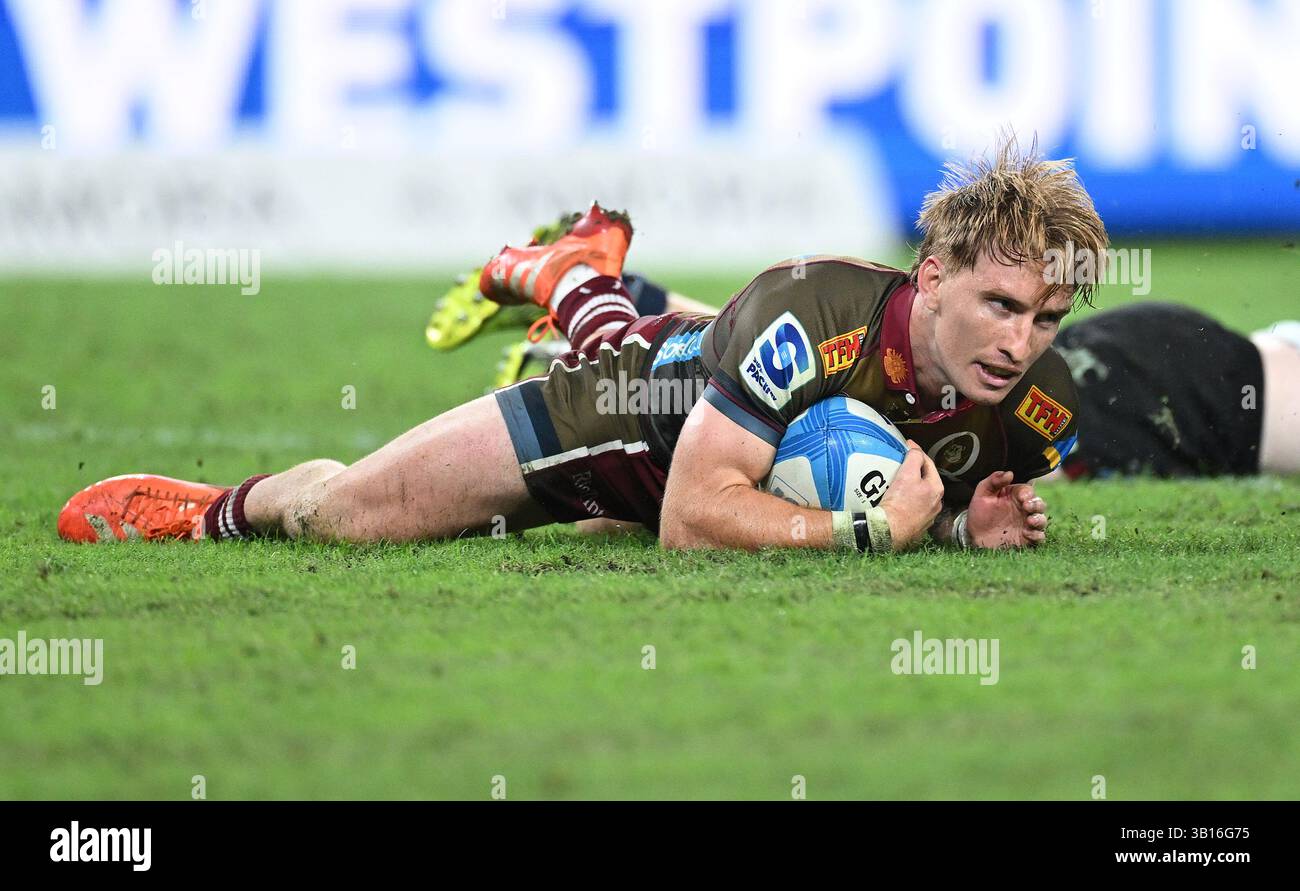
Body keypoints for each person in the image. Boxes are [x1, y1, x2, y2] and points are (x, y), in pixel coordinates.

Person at [58, 136, 1107, 554]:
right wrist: (865, 535)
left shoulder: (1031, 405)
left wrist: (971, 529)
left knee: (682, 362)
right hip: (627, 424)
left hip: (717, 402)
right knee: (348, 522)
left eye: (1046, 320)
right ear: (931, 278)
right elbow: (693, 525)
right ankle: (220, 513)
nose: (1021, 343)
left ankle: (572, 275)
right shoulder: (811, 309)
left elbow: (943, 492)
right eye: (1000, 305)